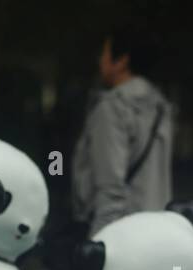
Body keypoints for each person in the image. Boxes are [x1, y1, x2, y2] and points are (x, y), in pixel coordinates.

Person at [71, 26, 174, 236]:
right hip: (159, 231)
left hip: (122, 234)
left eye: (105, 53)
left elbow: (110, 190)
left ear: (122, 62)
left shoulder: (111, 108)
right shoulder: (162, 108)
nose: (100, 60)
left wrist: (100, 248)